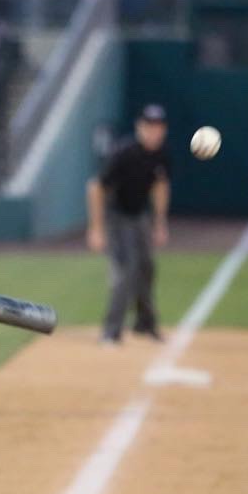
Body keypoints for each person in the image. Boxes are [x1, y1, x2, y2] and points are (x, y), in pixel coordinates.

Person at [85, 103, 171, 345]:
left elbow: (161, 185)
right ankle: (111, 331)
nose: (155, 132)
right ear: (139, 127)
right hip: (116, 217)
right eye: (150, 126)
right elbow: (95, 187)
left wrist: (160, 223)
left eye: (159, 127)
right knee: (124, 270)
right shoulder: (124, 153)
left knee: (147, 267)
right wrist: (96, 228)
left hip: (140, 216)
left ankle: (145, 324)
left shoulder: (160, 154)